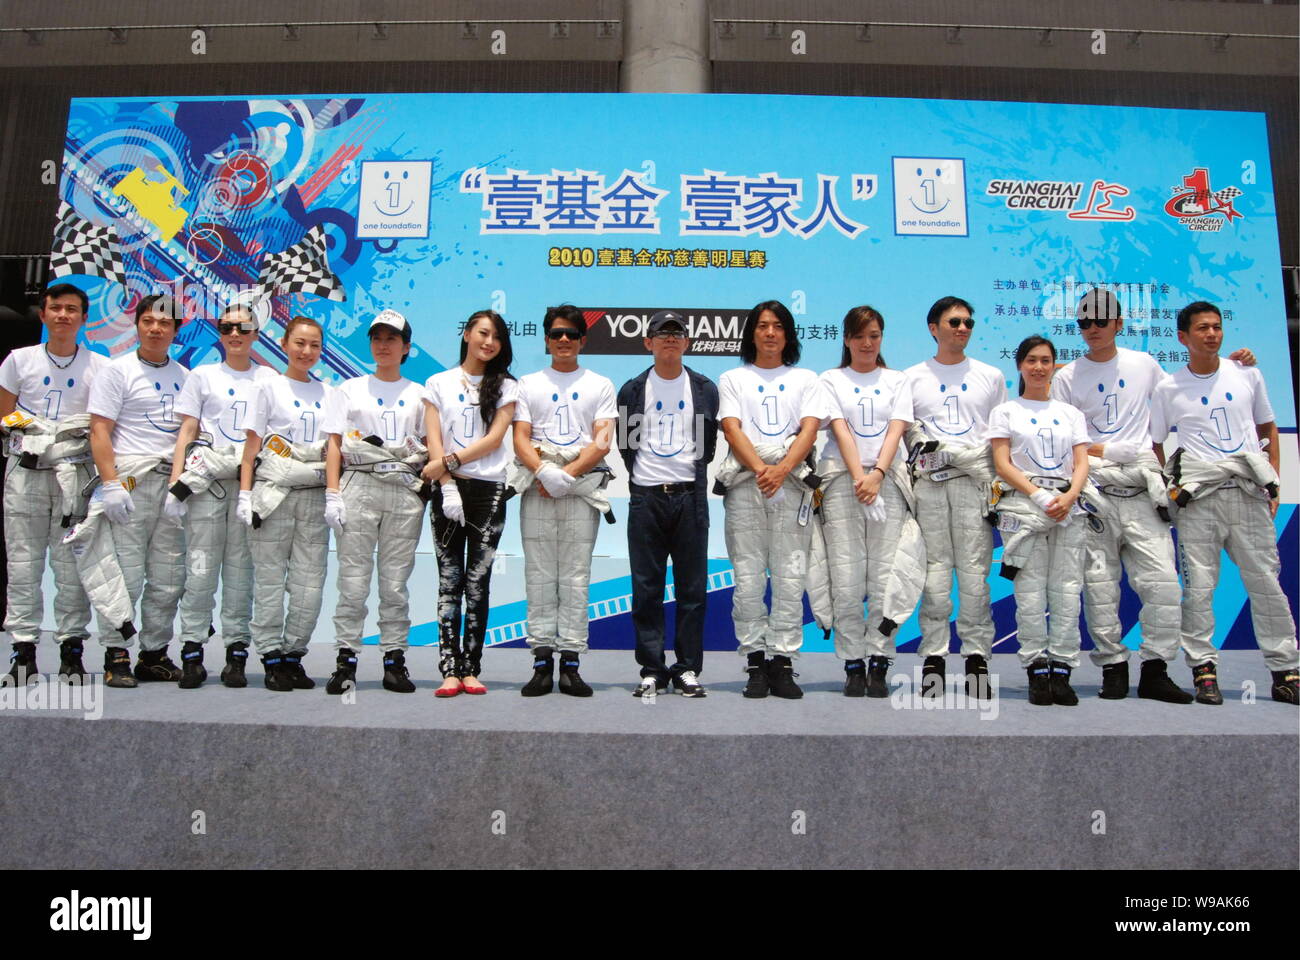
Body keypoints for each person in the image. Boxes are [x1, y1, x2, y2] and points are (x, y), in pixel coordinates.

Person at [1053, 289, 1252, 703]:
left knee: (1161, 583)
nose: (1093, 329)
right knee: (1101, 585)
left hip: (1144, 489)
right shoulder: (1067, 377)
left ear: (1119, 324)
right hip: (1095, 490)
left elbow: (1186, 390)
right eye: (1084, 322)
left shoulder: (1144, 365)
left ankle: (1156, 669)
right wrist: (1106, 450)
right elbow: (1062, 438)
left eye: (1101, 321)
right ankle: (1112, 667)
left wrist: (1234, 367)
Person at [1150, 301, 1298, 706]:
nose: (1212, 334)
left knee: (1266, 584)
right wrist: (1170, 488)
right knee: (1198, 589)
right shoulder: (1168, 387)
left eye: (1216, 327)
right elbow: (1155, 443)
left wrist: (1274, 484)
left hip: (1247, 494)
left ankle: (1285, 671)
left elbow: (1267, 425)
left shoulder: (1246, 372)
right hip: (1200, 502)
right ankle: (1203, 671)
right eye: (1202, 328)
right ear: (1183, 337)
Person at [717, 300, 833, 700]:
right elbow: (732, 429)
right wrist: (763, 470)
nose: (770, 333)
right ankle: (754, 661)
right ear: (752, 333)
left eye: (778, 326)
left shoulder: (806, 379)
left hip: (791, 486)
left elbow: (810, 430)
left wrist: (783, 470)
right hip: (747, 487)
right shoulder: (733, 378)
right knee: (748, 581)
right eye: (763, 326)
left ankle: (782, 662)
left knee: (789, 578)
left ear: (788, 334)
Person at [0, 284, 107, 685]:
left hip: (74, 477)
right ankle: (23, 651)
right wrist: (37, 432)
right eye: (56, 308)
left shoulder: (99, 366)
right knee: (23, 565)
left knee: (71, 570)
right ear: (43, 315)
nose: (64, 315)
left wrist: (67, 438)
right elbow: (4, 414)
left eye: (72, 309)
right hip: (26, 473)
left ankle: (71, 651)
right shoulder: (18, 360)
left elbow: (99, 426)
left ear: (83, 318)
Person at [816, 306, 924, 697]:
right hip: (843, 483)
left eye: (874, 335)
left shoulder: (897, 380)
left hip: (887, 483)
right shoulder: (830, 379)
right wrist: (861, 478)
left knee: (885, 578)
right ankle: (852, 664)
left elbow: (897, 429)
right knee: (845, 580)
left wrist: (877, 474)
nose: (867, 343)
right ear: (846, 339)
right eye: (860, 336)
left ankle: (880, 661)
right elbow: (840, 429)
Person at [166, 305, 276, 688]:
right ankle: (193, 652)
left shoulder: (268, 378)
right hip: (207, 484)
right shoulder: (203, 375)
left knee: (241, 575)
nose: (234, 333)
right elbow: (187, 431)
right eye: (226, 327)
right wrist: (175, 484)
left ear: (256, 333)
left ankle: (236, 655)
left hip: (248, 486)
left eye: (243, 327)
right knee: (199, 571)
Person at [82, 294, 189, 687]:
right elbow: (99, 431)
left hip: (168, 487)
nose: (156, 329)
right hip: (128, 482)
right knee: (125, 575)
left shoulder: (184, 376)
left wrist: (179, 486)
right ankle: (117, 654)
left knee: (169, 577)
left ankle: (154, 654)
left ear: (177, 330)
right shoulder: (117, 371)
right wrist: (110, 485)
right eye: (148, 321)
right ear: (138, 324)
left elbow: (187, 436)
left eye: (164, 323)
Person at [512, 304, 618, 697]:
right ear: (546, 339)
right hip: (538, 487)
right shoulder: (528, 383)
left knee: (575, 579)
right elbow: (520, 437)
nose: (563, 341)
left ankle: (571, 663)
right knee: (539, 578)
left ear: (582, 340)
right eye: (556, 334)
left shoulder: (600, 384)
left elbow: (602, 439)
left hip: (579, 489)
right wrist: (543, 472)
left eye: (571, 334)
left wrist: (566, 476)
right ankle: (541, 663)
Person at [903, 296, 1007, 698]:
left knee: (975, 577)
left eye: (968, 322)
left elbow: (998, 439)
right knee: (934, 577)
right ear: (934, 328)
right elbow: (907, 433)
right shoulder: (911, 377)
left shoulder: (990, 376)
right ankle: (933, 658)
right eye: (953, 322)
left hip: (973, 487)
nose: (962, 328)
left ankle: (977, 659)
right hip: (929, 487)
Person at [323, 310, 430, 695]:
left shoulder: (421, 394)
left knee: (395, 583)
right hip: (358, 487)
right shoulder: (348, 389)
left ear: (406, 347)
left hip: (403, 492)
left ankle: (394, 661)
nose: (383, 344)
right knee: (352, 582)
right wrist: (333, 493)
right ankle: (345, 661)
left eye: (392, 338)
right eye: (377, 338)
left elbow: (429, 448)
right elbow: (334, 444)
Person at [616, 310, 719, 699]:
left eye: (677, 334)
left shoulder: (704, 388)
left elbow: (705, 449)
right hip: (645, 498)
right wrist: (647, 481)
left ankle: (688, 668)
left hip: (689, 498)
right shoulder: (633, 389)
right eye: (662, 334)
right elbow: (627, 446)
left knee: (692, 589)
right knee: (646, 588)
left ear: (687, 342)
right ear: (649, 342)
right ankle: (652, 669)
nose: (670, 340)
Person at [988, 335, 1091, 706]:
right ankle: (1036, 669)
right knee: (1029, 595)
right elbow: (1002, 463)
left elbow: (1082, 462)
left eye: (1046, 360)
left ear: (1053, 366)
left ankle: (1062, 669)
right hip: (1023, 508)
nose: (1038, 367)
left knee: (1066, 592)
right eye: (1031, 360)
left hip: (1067, 508)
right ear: (1020, 365)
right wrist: (1039, 495)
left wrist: (1069, 496)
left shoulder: (1070, 413)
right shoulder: (1005, 411)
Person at [423, 310, 518, 697]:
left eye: (496, 336)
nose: (488, 342)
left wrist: (447, 463)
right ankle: (448, 668)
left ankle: (471, 668)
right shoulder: (437, 383)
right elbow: (433, 440)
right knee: (450, 582)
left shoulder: (507, 386)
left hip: (489, 491)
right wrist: (446, 483)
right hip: (447, 490)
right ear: (466, 333)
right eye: (482, 333)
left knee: (478, 582)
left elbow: (495, 439)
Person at [238, 316, 334, 692]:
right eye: (299, 343)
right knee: (268, 582)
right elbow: (251, 448)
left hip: (312, 496)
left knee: (309, 585)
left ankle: (294, 653)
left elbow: (335, 451)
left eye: (313, 345)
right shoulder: (267, 388)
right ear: (284, 343)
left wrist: (334, 496)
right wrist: (245, 495)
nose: (306, 351)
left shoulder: (330, 394)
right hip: (273, 497)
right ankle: (271, 656)